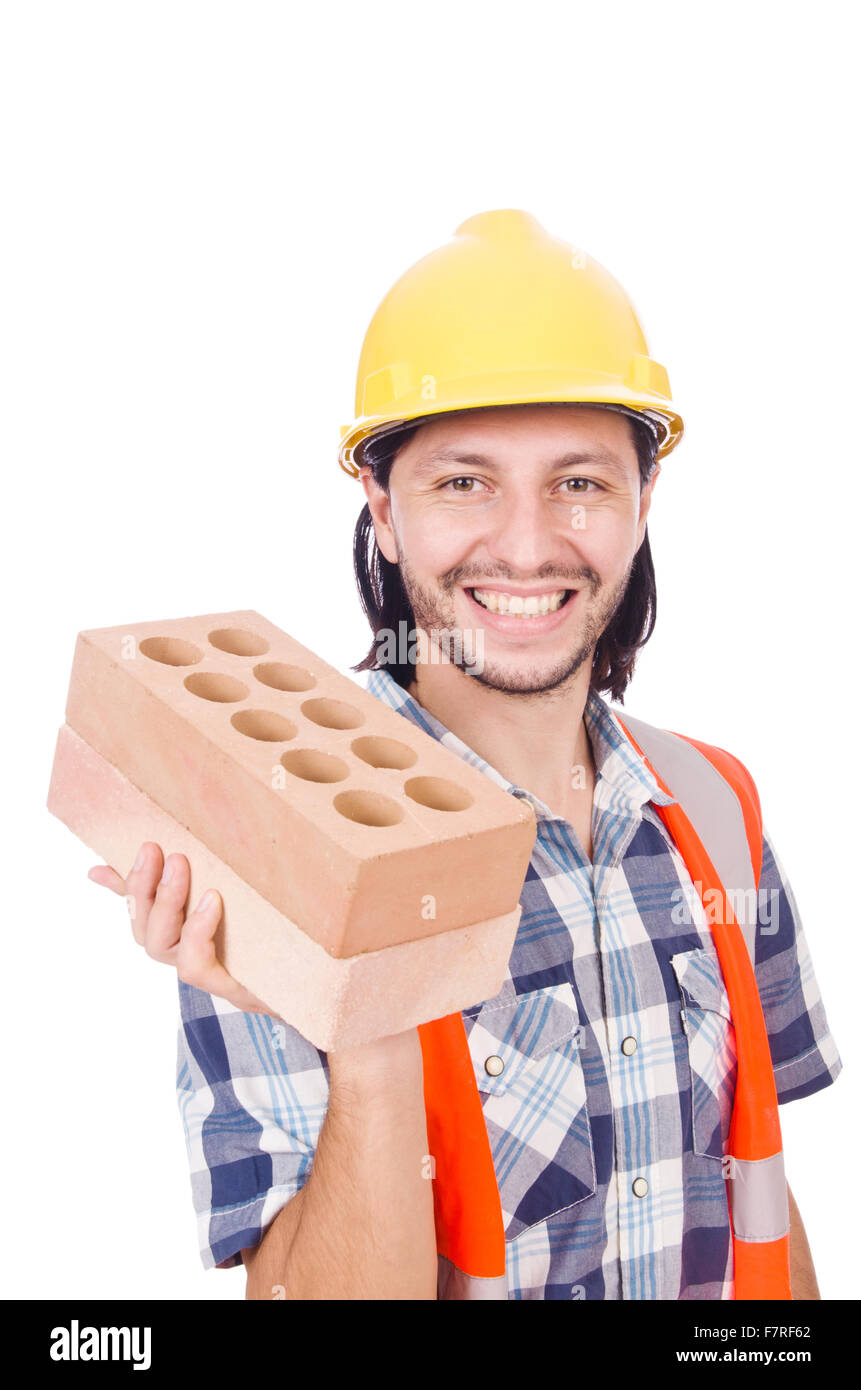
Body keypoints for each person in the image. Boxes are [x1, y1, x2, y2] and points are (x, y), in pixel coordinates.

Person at [88, 211, 842, 1300]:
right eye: (464, 482)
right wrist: (370, 1024)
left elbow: (763, 1195)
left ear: (645, 502)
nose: (528, 545)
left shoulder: (717, 805)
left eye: (579, 480)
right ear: (383, 510)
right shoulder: (275, 849)